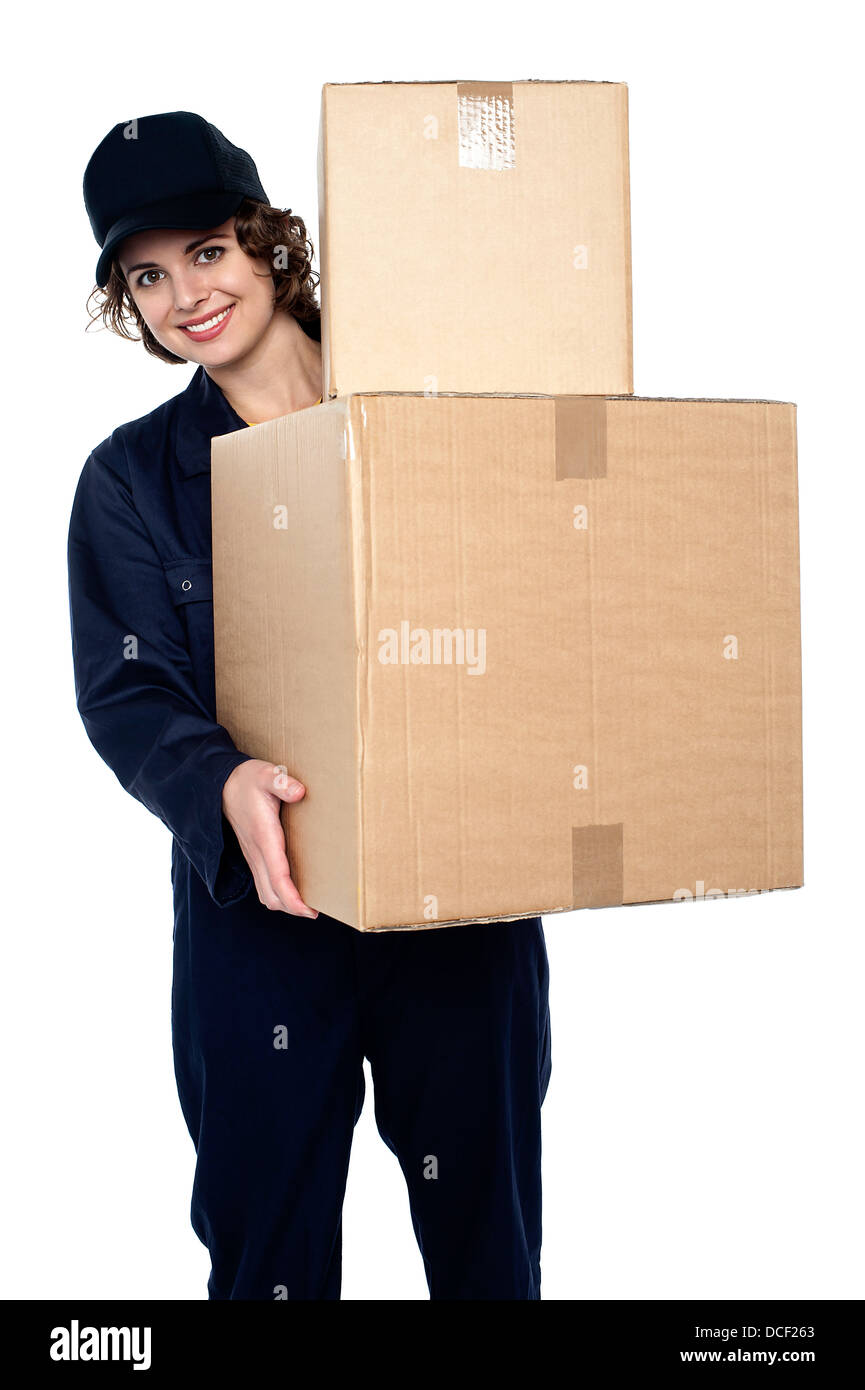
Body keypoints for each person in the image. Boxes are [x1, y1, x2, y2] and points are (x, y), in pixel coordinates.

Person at [68, 110, 552, 1301]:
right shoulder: (127, 477)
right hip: (261, 911)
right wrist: (218, 778)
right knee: (267, 1241)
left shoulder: (424, 397)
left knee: (486, 1239)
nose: (185, 293)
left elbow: (543, 581)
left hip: (457, 890)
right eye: (147, 274)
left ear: (269, 245)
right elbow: (128, 686)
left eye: (208, 251)